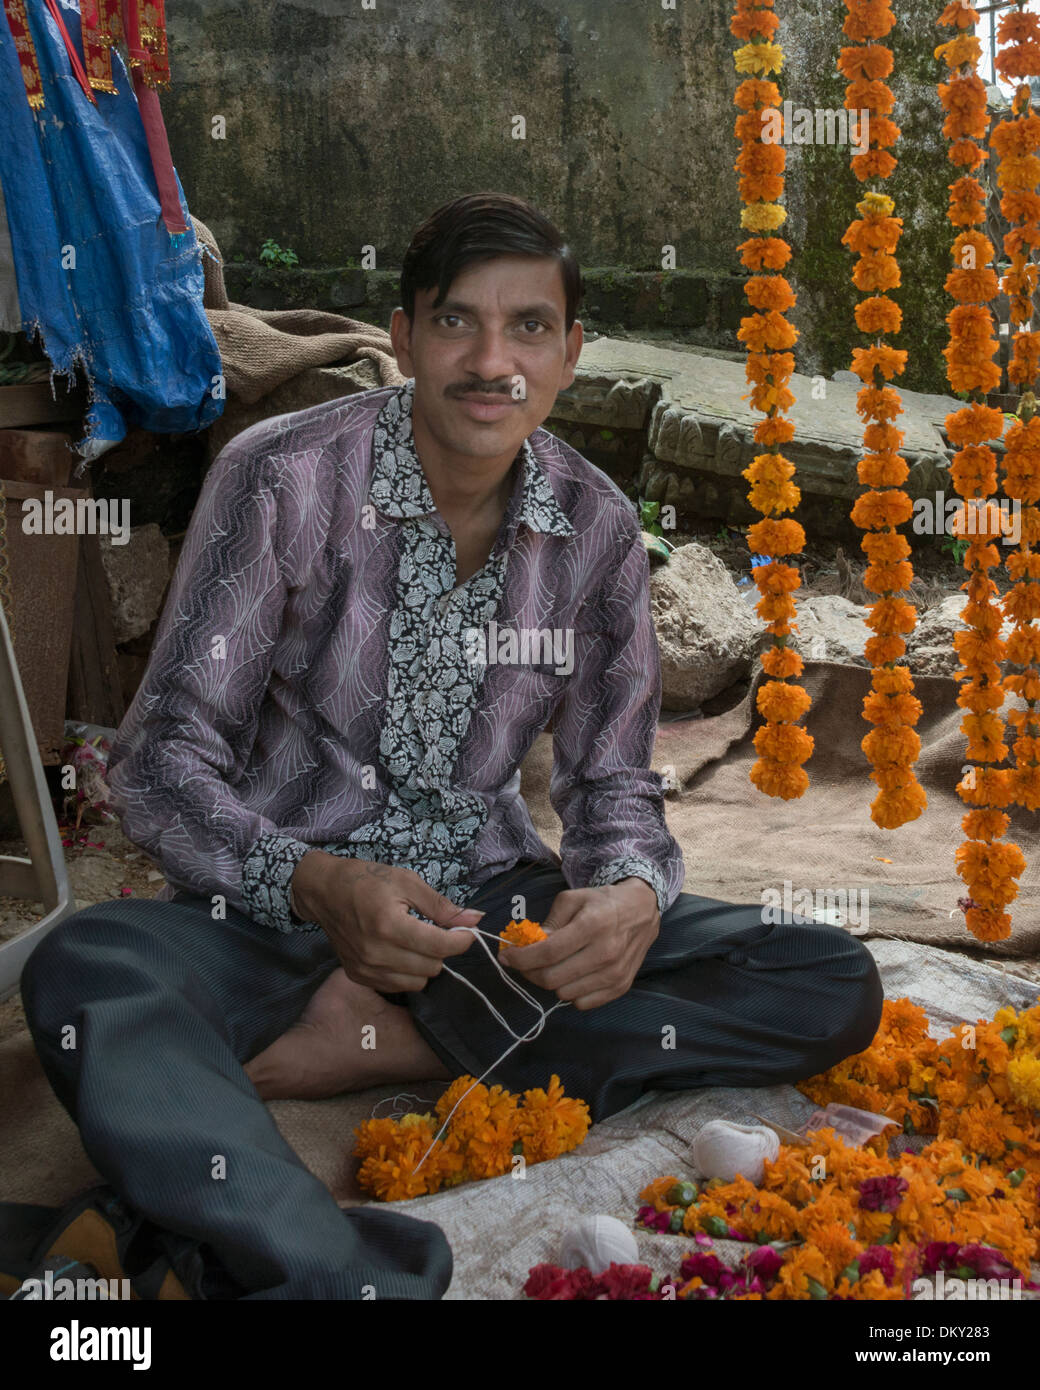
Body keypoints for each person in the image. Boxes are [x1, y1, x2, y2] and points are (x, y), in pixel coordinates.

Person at [19, 192, 883, 1300]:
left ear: (570, 352)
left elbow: (612, 785)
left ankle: (399, 1043)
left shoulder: (599, 528)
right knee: (90, 969)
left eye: (528, 327)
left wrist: (624, 894)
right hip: (274, 916)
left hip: (490, 917)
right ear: (402, 335)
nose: (491, 361)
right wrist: (315, 884)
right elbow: (164, 760)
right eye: (456, 323)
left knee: (821, 974)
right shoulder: (281, 479)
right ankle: (332, 1271)